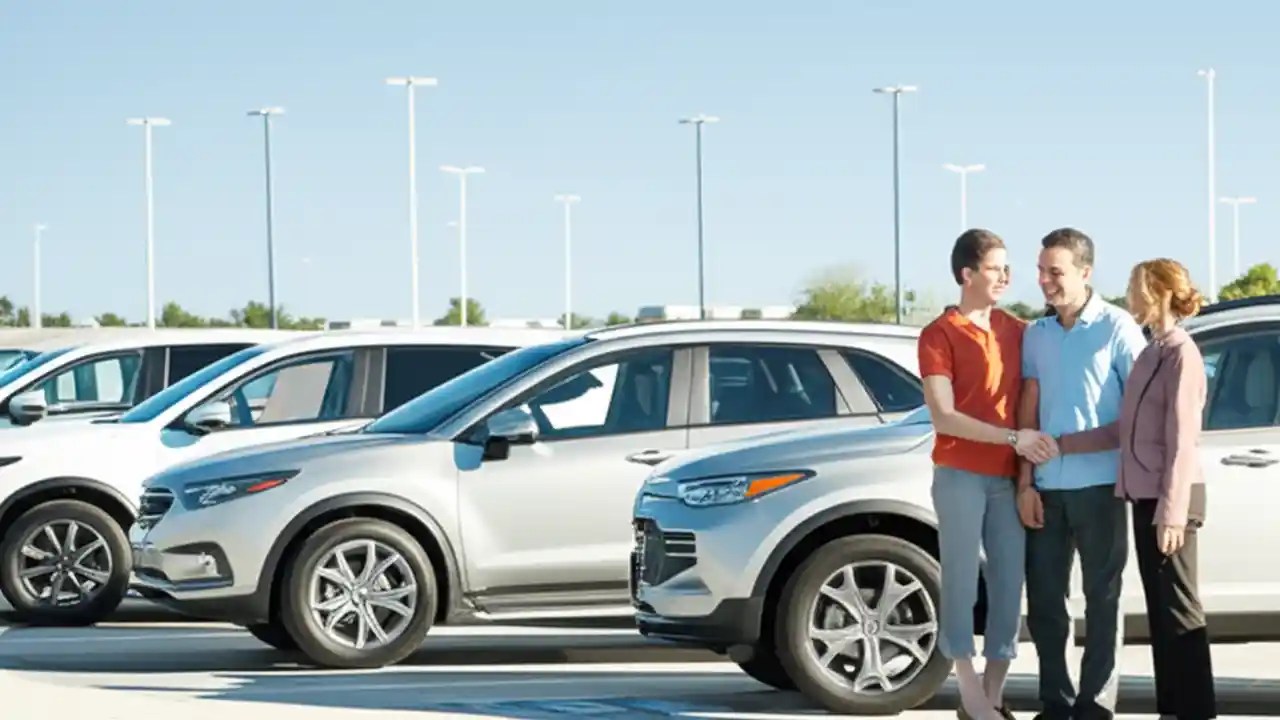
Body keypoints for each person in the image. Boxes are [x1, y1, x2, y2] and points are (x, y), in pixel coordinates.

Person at [1052, 258, 1216, 720]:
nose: (1127, 293)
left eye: (1133, 285)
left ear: (1157, 290)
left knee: (1180, 614)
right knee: (1162, 618)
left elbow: (1184, 440)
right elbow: (1125, 429)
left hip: (1172, 500)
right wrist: (1065, 444)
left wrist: (1172, 513)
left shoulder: (1182, 353)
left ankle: (1197, 712)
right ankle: (1173, 710)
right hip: (1147, 497)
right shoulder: (1152, 350)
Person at [918, 229, 1056, 720]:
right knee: (958, 577)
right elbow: (943, 416)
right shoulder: (939, 335)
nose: (1006, 276)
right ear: (967, 274)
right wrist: (1012, 439)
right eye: (996, 267)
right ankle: (968, 690)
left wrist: (1021, 458)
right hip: (958, 472)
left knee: (1008, 580)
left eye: (1006, 267)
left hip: (1007, 478)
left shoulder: (1018, 330)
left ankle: (992, 694)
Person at [1016, 228, 1148, 720]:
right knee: (1047, 605)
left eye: (1056, 271)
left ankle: (1096, 706)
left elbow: (1138, 417)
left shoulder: (1118, 328)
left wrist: (1068, 445)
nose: (1045, 281)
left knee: (1103, 601)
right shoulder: (1036, 334)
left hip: (1101, 489)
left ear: (1085, 272)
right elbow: (1027, 409)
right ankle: (1056, 702)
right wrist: (1025, 483)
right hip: (1046, 492)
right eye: (1041, 270)